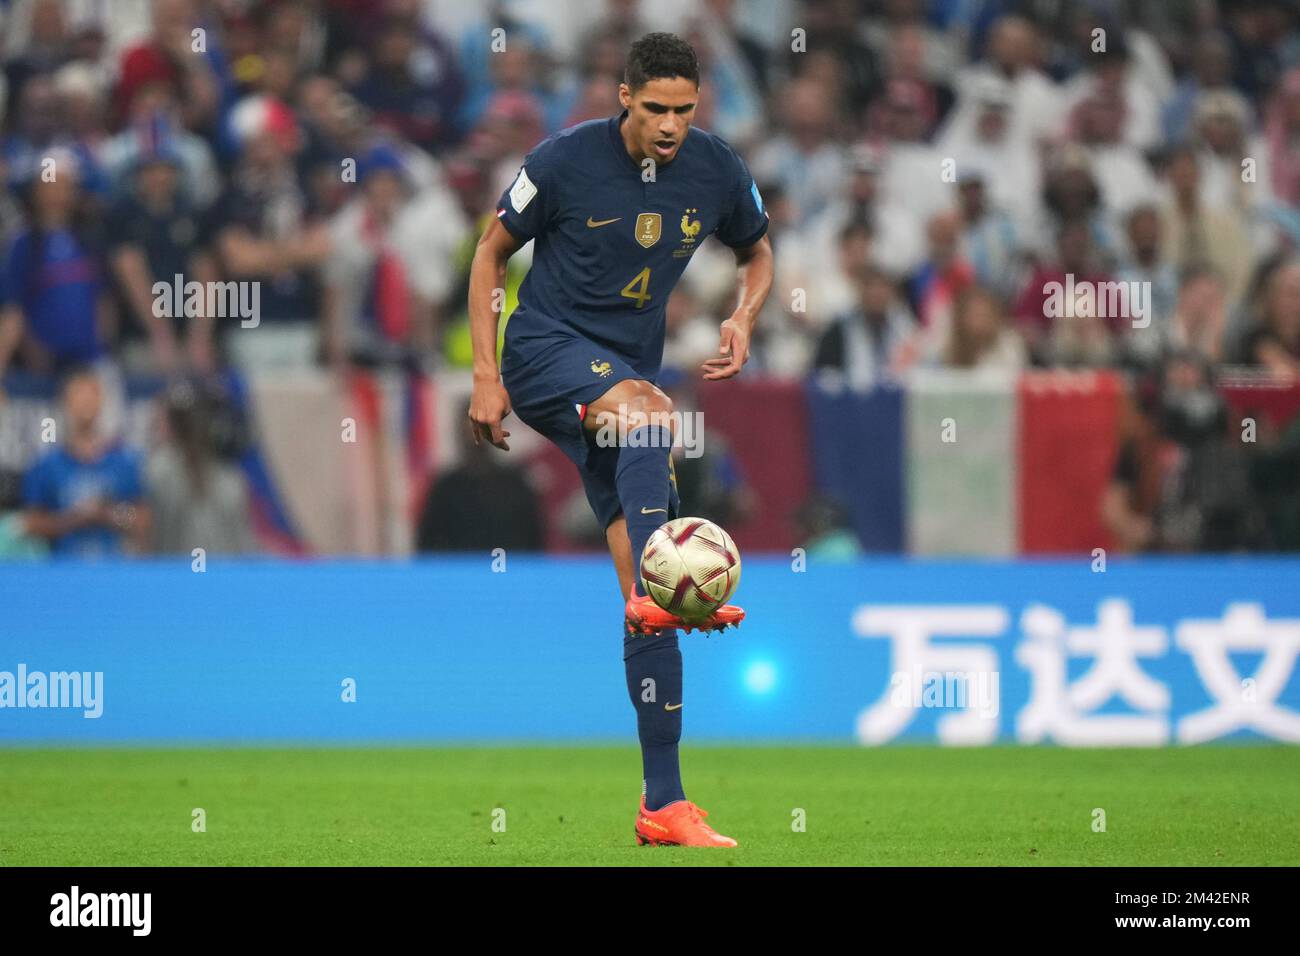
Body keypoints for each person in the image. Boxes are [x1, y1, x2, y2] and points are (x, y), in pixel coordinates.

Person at [466, 34, 772, 848]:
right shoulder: (564, 160)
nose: (672, 125)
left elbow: (759, 250)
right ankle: (660, 587)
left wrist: (743, 316)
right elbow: (491, 252)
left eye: (685, 109)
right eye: (657, 109)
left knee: (649, 601)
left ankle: (663, 803)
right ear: (625, 98)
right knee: (647, 413)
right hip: (541, 354)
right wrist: (486, 375)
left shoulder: (714, 168)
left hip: (621, 372)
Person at [21, 367, 151, 558]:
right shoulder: (46, 465)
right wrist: (72, 519)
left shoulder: (124, 462)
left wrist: (108, 514)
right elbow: (31, 523)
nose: (84, 404)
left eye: (90, 397)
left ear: (101, 402)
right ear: (65, 404)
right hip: (63, 571)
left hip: (113, 569)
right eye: (77, 397)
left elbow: (142, 520)